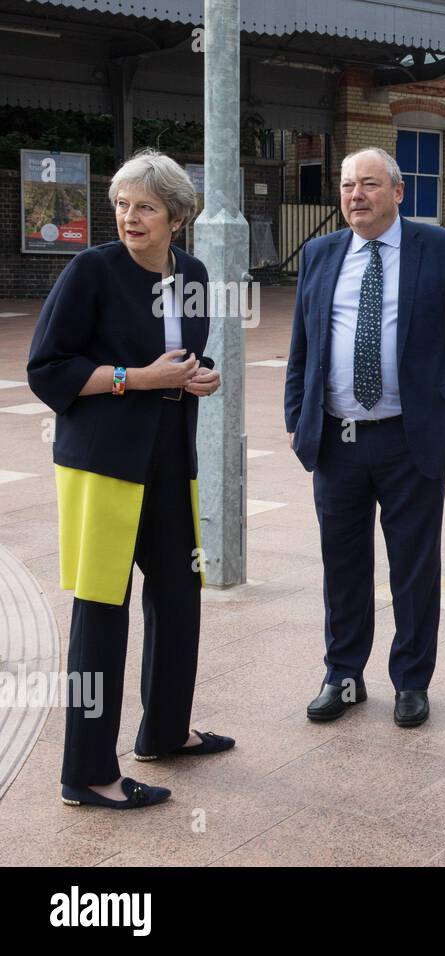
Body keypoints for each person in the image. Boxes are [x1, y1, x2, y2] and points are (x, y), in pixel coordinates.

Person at [27, 148, 232, 810]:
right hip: (103, 464)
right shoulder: (91, 271)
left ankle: (166, 731)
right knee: (102, 610)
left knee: (178, 596)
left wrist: (200, 376)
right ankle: (87, 772)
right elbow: (48, 368)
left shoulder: (193, 273)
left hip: (171, 455)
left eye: (144, 206)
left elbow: (187, 356)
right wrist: (139, 379)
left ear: (177, 215)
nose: (129, 217)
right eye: (120, 204)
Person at [285, 147, 445, 728]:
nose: (355, 196)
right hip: (336, 442)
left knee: (414, 568)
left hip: (410, 440)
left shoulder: (440, 250)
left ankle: (412, 683)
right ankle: (343, 676)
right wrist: (298, 415)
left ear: (398, 192)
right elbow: (303, 345)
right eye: (347, 185)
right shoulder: (320, 254)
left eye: (369, 184)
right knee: (342, 565)